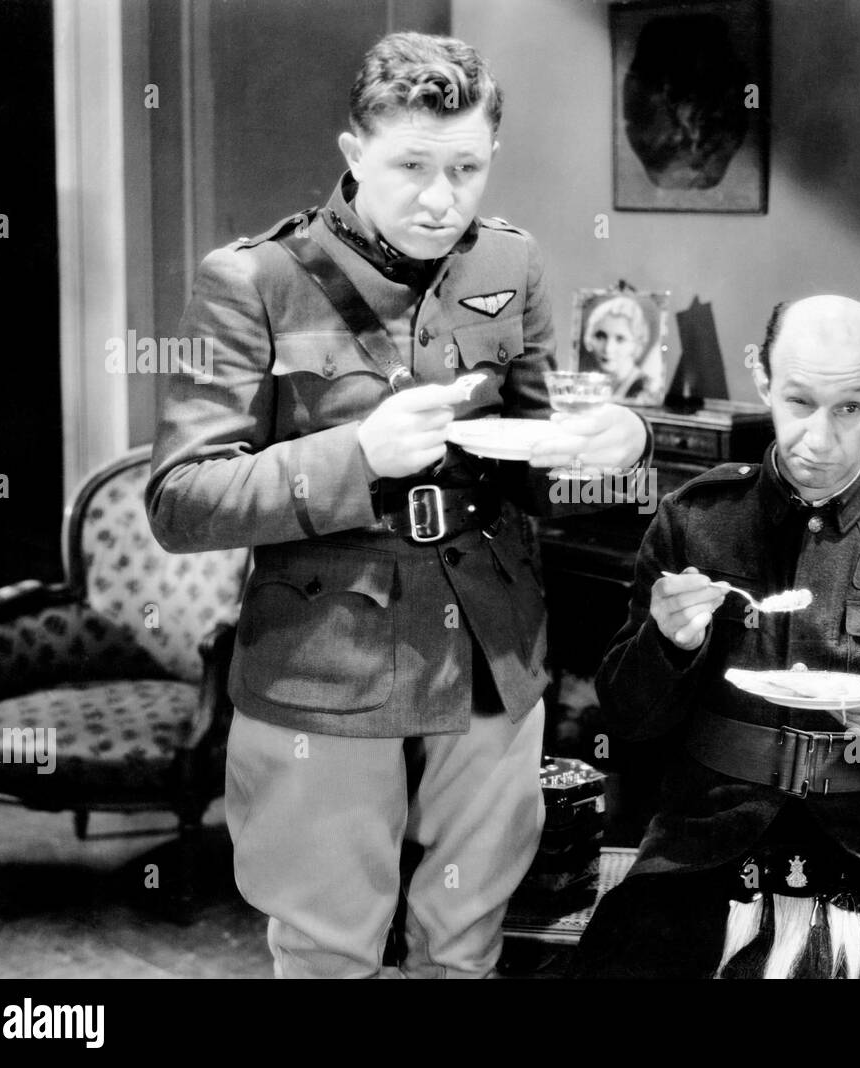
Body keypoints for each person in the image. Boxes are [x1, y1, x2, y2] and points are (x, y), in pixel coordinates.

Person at [146, 32, 649, 979]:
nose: (440, 197)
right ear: (353, 155)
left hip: (492, 654)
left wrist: (619, 444)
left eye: (465, 167)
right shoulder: (253, 280)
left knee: (466, 944)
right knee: (328, 948)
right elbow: (181, 501)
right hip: (323, 664)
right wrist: (355, 456)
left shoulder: (512, 263)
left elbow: (537, 466)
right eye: (410, 165)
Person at [572, 294, 860, 979]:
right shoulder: (693, 522)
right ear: (762, 380)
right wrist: (666, 644)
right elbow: (629, 718)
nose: (819, 435)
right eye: (798, 401)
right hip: (711, 839)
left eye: (850, 408)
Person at [583, 295, 660, 403]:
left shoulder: (644, 389)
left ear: (637, 344)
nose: (608, 349)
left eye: (620, 339)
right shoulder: (588, 386)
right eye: (601, 336)